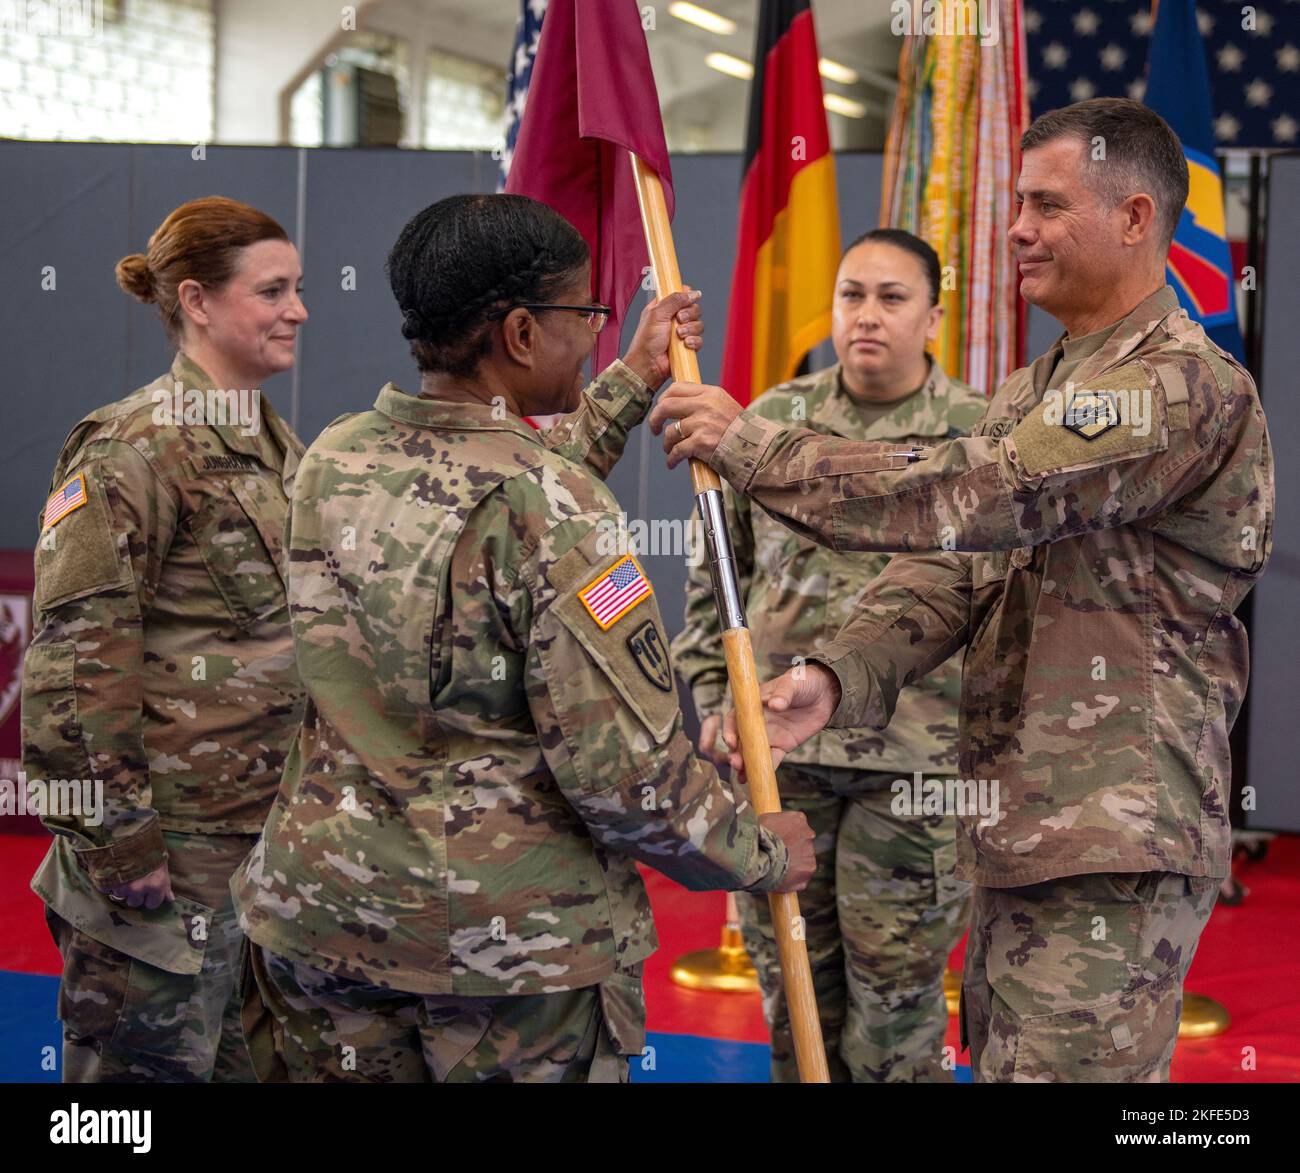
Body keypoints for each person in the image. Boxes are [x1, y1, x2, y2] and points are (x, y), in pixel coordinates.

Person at [648, 98, 1274, 1082]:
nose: (1016, 229)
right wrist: (840, 672)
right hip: (1020, 829)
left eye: (1046, 205)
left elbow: (972, 496)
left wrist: (751, 446)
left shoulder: (1173, 385)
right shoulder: (1034, 391)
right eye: (1016, 203)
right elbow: (954, 572)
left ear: (1136, 219)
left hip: (1109, 836)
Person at [231, 193, 815, 1084]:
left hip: (321, 921)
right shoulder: (559, 509)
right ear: (517, 332)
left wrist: (625, 380)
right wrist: (761, 849)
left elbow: (480, 498)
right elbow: (628, 781)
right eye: (582, 315)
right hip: (505, 960)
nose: (591, 333)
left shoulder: (334, 456)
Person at [671, 228, 984, 1082]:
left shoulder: (979, 436)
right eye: (852, 295)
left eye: (892, 297)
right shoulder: (767, 420)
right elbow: (716, 583)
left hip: (917, 764)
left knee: (896, 1008)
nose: (867, 316)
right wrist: (714, 702)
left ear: (934, 317)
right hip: (779, 756)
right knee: (794, 991)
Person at [22, 196, 309, 1082]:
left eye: (298, 288)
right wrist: (117, 846)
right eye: (272, 291)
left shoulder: (273, 443)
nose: (299, 309)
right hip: (162, 871)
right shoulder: (131, 448)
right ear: (196, 301)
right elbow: (73, 667)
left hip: (259, 861)